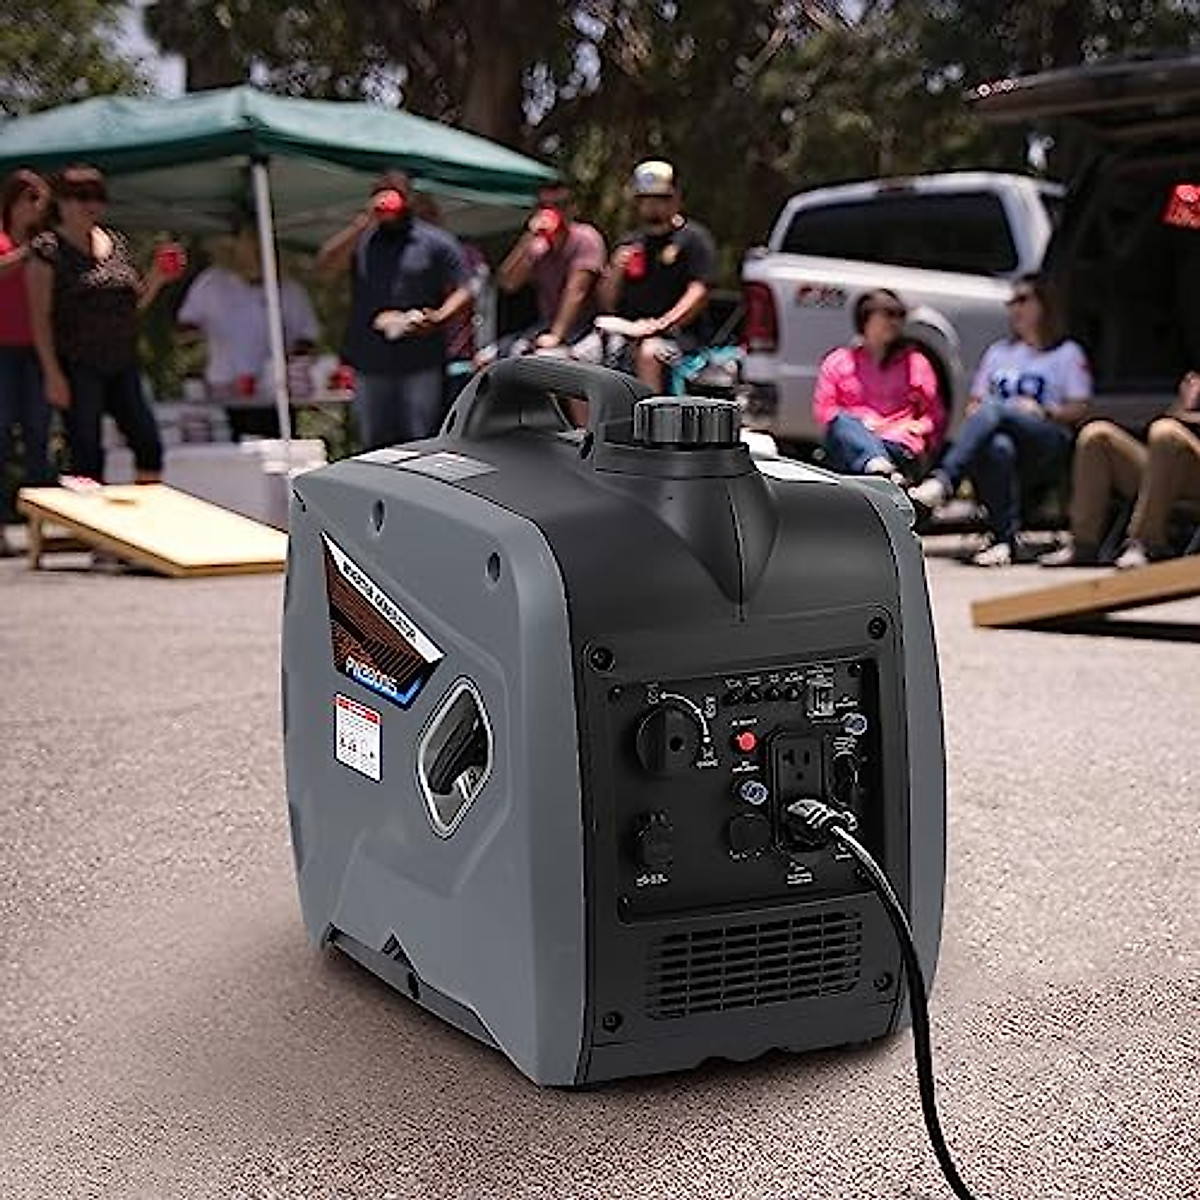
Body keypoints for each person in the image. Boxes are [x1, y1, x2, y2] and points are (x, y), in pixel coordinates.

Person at [909, 273, 1092, 566]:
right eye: (1011, 302)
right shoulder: (999, 352)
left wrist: (1044, 411)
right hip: (1004, 436)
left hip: (1046, 439)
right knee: (998, 446)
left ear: (1044, 304)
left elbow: (1080, 407)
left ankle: (944, 481)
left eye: (1023, 300)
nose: (1014, 308)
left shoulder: (1065, 353)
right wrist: (980, 413)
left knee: (995, 409)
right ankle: (1005, 541)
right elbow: (976, 402)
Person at [25, 165, 170, 484]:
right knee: (87, 453)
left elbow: (132, 305)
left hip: (122, 360)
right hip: (78, 362)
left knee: (149, 444)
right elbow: (39, 318)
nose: (91, 204)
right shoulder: (48, 249)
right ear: (61, 201)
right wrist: (52, 374)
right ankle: (87, 514)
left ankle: (146, 509)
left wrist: (157, 278)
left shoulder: (115, 241)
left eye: (97, 196)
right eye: (81, 196)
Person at [316, 170, 472, 450]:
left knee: (420, 441)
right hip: (371, 361)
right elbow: (326, 265)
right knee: (373, 444)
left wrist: (439, 316)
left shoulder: (433, 241)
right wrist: (361, 225)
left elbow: (466, 288)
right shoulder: (364, 240)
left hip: (421, 359)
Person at [1039, 371, 1200, 569]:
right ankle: (1083, 543)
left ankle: (1145, 542)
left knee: (1166, 432)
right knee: (1097, 435)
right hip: (1168, 468)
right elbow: (1176, 419)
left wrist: (1188, 414)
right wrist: (1185, 403)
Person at [177, 224, 319, 440]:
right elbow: (186, 325)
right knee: (229, 450)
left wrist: (293, 364)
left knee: (276, 448)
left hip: (274, 391)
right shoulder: (211, 283)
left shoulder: (288, 289)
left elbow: (307, 335)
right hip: (223, 387)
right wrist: (194, 339)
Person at [596, 159, 717, 392]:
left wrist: (662, 324)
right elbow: (607, 303)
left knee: (649, 352)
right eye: (646, 198)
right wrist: (616, 270)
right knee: (584, 354)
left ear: (676, 198)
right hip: (629, 330)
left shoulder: (693, 239)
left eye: (662, 198)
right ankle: (597, 416)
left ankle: (650, 414)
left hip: (679, 336)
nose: (654, 205)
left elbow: (699, 292)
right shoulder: (630, 242)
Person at [812, 288, 945, 484]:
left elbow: (935, 415)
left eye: (900, 315)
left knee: (871, 452)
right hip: (852, 441)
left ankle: (878, 466)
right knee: (841, 422)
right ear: (866, 318)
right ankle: (878, 466)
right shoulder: (838, 361)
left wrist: (920, 427)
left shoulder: (916, 363)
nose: (896, 322)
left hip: (897, 442)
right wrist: (862, 425)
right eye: (889, 314)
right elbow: (824, 411)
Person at [495, 180, 606, 357]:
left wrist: (556, 335)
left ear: (572, 208)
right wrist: (528, 238)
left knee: (545, 360)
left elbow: (576, 291)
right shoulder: (538, 246)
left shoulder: (586, 238)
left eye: (558, 205)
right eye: (544, 206)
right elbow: (509, 283)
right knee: (488, 357)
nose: (551, 211)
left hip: (586, 328)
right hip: (545, 324)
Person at [0, 169, 52, 547]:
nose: (34, 208)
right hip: (2, 350)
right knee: (1, 436)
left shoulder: (45, 244)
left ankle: (40, 527)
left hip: (36, 350)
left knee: (38, 434)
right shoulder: (4, 241)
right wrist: (25, 254)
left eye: (40, 201)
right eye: (28, 199)